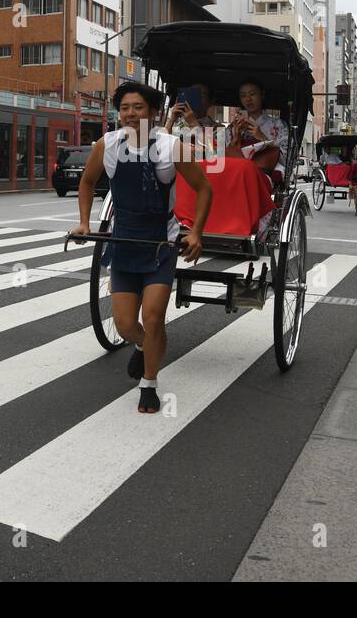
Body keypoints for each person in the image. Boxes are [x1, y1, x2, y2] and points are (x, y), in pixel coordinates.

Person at [71, 82, 213, 414]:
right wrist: (84, 222)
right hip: (124, 241)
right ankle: (141, 345)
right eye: (125, 108)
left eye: (138, 108)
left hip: (160, 243)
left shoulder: (171, 147)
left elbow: (204, 189)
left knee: (152, 317)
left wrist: (197, 234)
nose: (131, 114)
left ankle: (149, 383)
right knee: (124, 325)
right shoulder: (107, 145)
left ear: (153, 113)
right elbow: (87, 181)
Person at [227, 81, 289, 188]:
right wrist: (236, 137)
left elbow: (286, 158)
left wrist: (262, 137)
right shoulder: (232, 127)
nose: (248, 99)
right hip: (235, 172)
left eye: (252, 94)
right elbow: (221, 158)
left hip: (264, 171)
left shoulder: (278, 125)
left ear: (262, 95)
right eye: (243, 95)